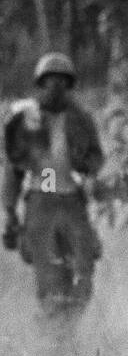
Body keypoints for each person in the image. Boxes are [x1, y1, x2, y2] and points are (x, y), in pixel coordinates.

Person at [2, 52, 104, 319]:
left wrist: (91, 181)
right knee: (48, 275)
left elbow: (94, 159)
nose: (56, 87)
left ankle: (69, 322)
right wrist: (9, 213)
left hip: (73, 201)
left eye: (62, 81)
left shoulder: (81, 119)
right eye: (50, 80)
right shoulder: (26, 118)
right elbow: (13, 169)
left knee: (83, 272)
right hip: (40, 202)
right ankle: (53, 331)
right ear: (41, 83)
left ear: (69, 85)